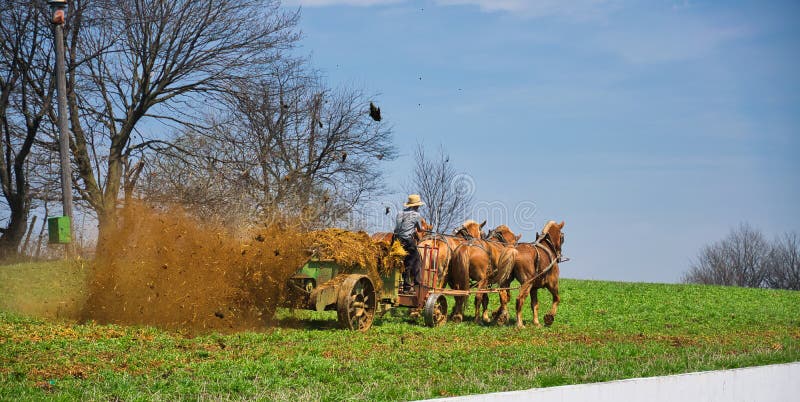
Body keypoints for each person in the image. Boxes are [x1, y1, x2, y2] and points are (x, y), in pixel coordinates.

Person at [394, 194, 429, 294]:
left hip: (398, 242)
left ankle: (405, 287)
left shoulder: (400, 213)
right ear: (416, 206)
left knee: (405, 263)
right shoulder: (416, 215)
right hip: (408, 241)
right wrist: (422, 229)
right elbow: (419, 229)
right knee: (417, 260)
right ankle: (417, 285)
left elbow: (396, 229)